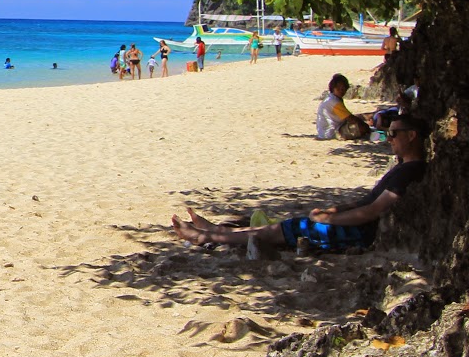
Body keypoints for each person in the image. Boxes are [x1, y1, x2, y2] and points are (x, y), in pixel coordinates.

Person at [171, 116, 429, 253]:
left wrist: (329, 221)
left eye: (393, 134)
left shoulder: (410, 171)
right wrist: (334, 210)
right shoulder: (401, 167)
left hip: (358, 233)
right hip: (350, 225)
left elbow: (374, 211)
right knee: (282, 226)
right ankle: (214, 230)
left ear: (412, 136)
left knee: (276, 232)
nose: (389, 139)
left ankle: (205, 236)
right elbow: (367, 201)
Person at [315, 74, 355, 140]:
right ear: (333, 88)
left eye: (343, 89)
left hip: (324, 132)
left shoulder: (332, 98)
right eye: (338, 89)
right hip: (331, 133)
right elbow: (350, 118)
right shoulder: (335, 102)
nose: (341, 91)